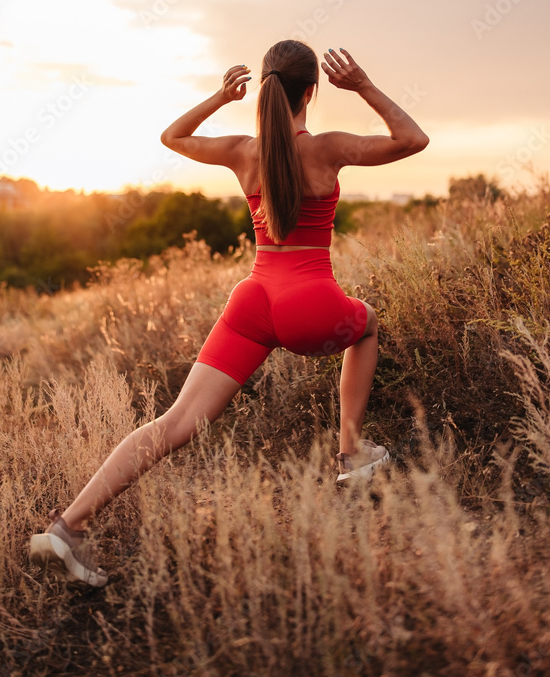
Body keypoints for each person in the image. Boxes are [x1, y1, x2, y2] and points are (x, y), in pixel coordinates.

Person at [29, 41, 429, 587]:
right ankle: (352, 453)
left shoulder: (243, 151)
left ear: (263, 89)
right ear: (311, 91)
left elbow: (173, 137)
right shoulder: (329, 148)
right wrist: (361, 84)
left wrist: (219, 97)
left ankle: (65, 527)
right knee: (368, 324)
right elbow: (413, 139)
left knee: (173, 423)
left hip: (254, 298)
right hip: (308, 301)